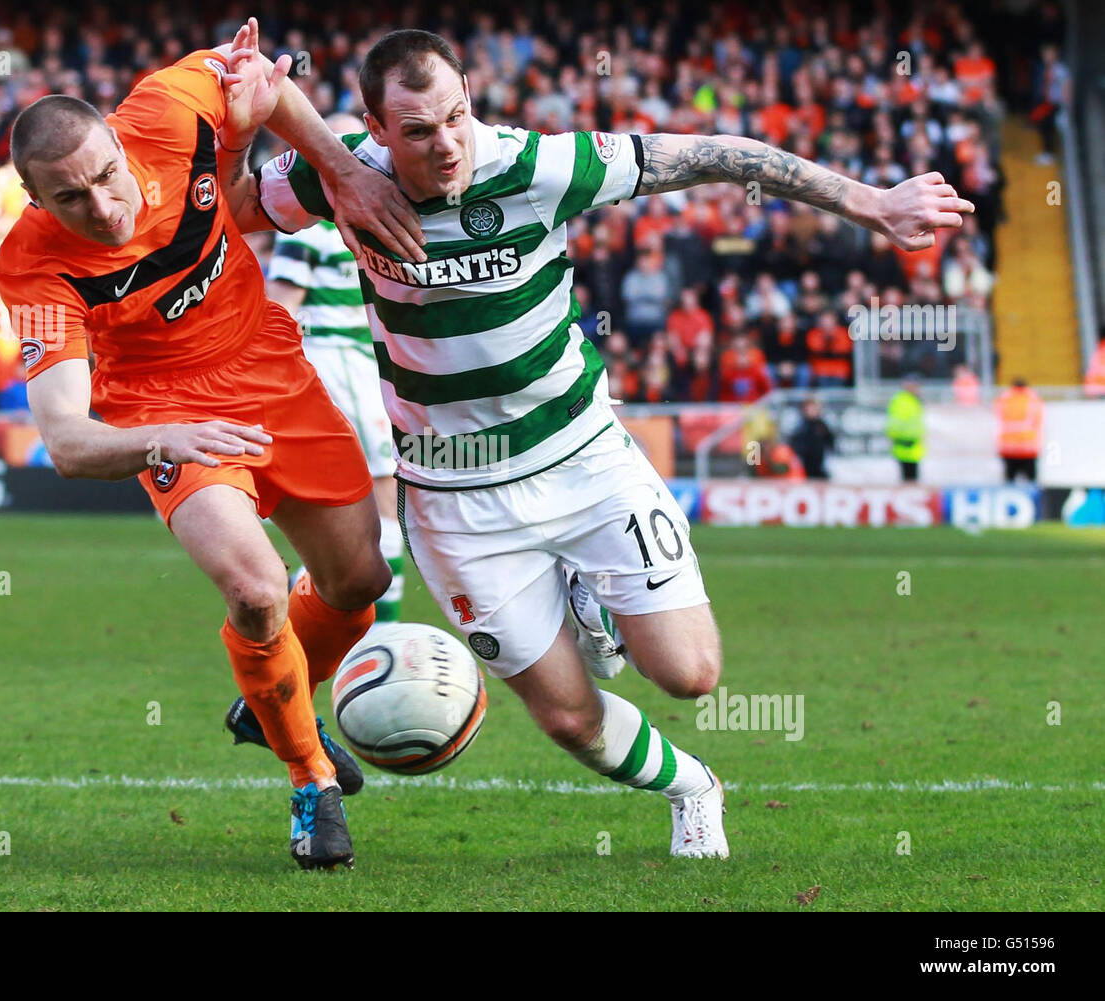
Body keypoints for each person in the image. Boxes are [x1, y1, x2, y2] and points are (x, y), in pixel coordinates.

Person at [246, 29, 973, 858]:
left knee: (691, 673)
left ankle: (592, 596)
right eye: (417, 130)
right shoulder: (334, 173)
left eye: (456, 116)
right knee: (567, 716)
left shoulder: (539, 167)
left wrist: (872, 203)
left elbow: (715, 154)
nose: (445, 144)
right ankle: (693, 786)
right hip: (454, 496)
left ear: (471, 97)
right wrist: (253, 130)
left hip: (583, 458)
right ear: (374, 128)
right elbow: (226, 208)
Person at [0, 19, 426, 871]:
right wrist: (166, 437)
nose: (104, 206)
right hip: (161, 410)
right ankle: (311, 778)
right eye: (70, 198)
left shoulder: (170, 107)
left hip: (270, 371)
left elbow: (261, 78)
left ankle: (264, 705)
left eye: (106, 176)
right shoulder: (32, 268)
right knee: (258, 590)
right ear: (35, 202)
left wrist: (342, 173)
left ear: (121, 141)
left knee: (360, 583)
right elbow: (70, 442)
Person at [264, 114, 404, 625]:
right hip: (343, 369)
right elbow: (280, 309)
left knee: (371, 504)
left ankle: (317, 599)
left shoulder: (366, 217)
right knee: (381, 497)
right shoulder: (319, 229)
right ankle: (375, 641)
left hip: (368, 368)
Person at [995, 378, 1044, 483]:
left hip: (1008, 448)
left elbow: (998, 421)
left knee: (1009, 481)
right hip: (1028, 448)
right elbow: (1038, 422)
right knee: (1031, 482)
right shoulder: (1033, 399)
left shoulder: (1004, 399)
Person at [887, 376, 926, 481]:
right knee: (908, 480)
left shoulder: (913, 400)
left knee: (912, 479)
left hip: (913, 447)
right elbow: (895, 423)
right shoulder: (902, 400)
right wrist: (897, 438)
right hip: (905, 445)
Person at [789, 396, 836, 479]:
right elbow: (795, 445)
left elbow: (830, 442)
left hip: (819, 467)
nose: (813, 411)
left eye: (815, 408)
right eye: (810, 408)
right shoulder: (801, 426)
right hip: (804, 468)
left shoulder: (822, 425)